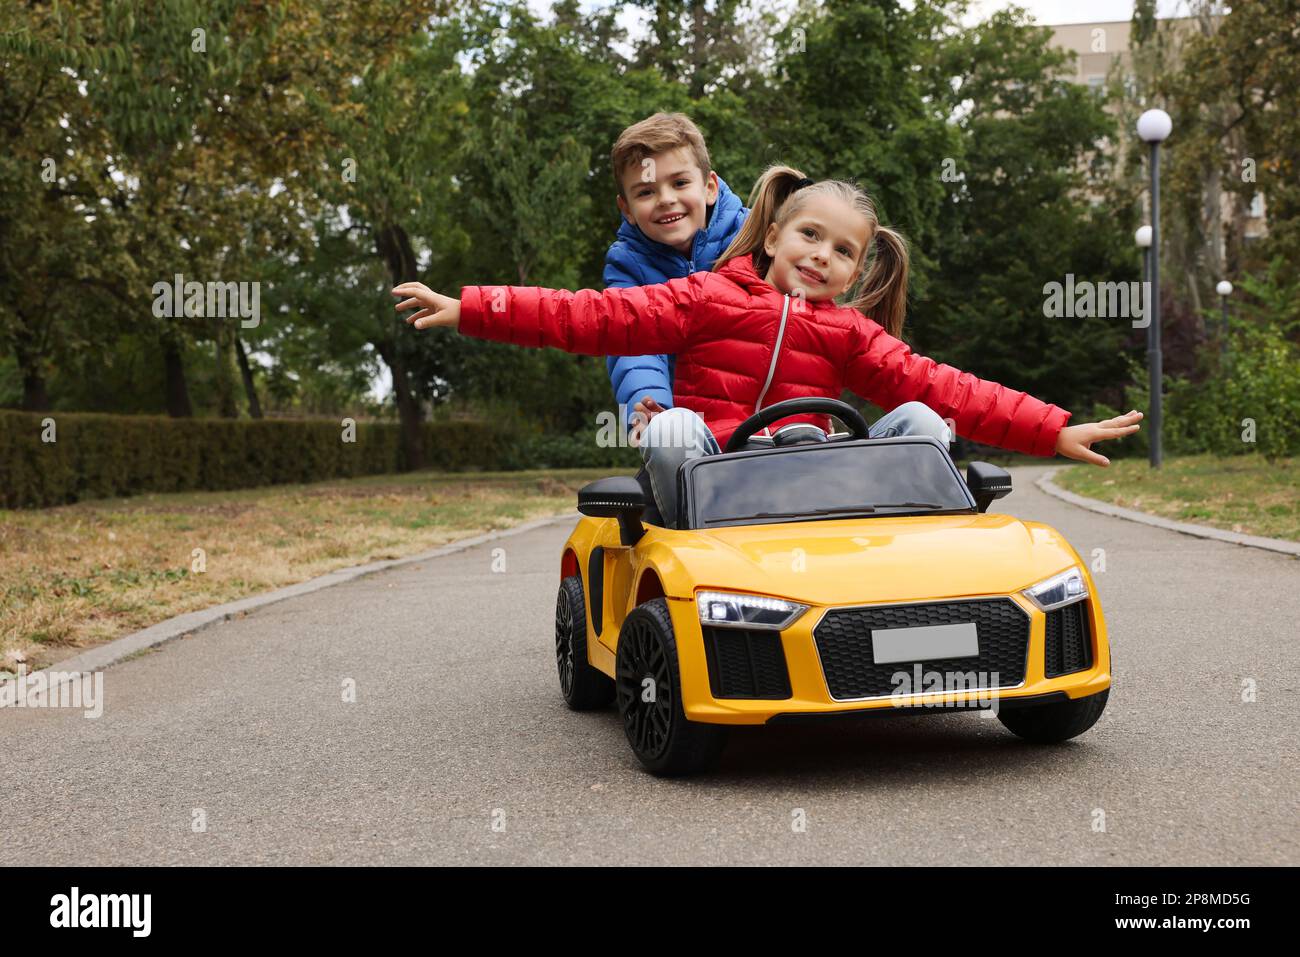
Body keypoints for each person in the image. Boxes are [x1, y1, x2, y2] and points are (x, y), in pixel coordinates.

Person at [393, 165, 1142, 526]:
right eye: (810, 235)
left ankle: (913, 561)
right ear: (776, 233)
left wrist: (1052, 426)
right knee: (675, 422)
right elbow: (589, 317)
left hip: (818, 486)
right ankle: (685, 531)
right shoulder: (706, 296)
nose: (821, 256)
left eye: (843, 251)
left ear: (858, 269)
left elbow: (946, 384)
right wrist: (470, 306)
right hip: (716, 489)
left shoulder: (851, 333)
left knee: (921, 417)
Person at [602, 112, 748, 443]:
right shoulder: (628, 265)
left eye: (680, 183)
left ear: (709, 187)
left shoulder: (754, 240)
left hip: (763, 410)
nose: (666, 199)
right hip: (691, 424)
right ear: (626, 209)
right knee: (668, 440)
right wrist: (653, 410)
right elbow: (634, 344)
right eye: (645, 192)